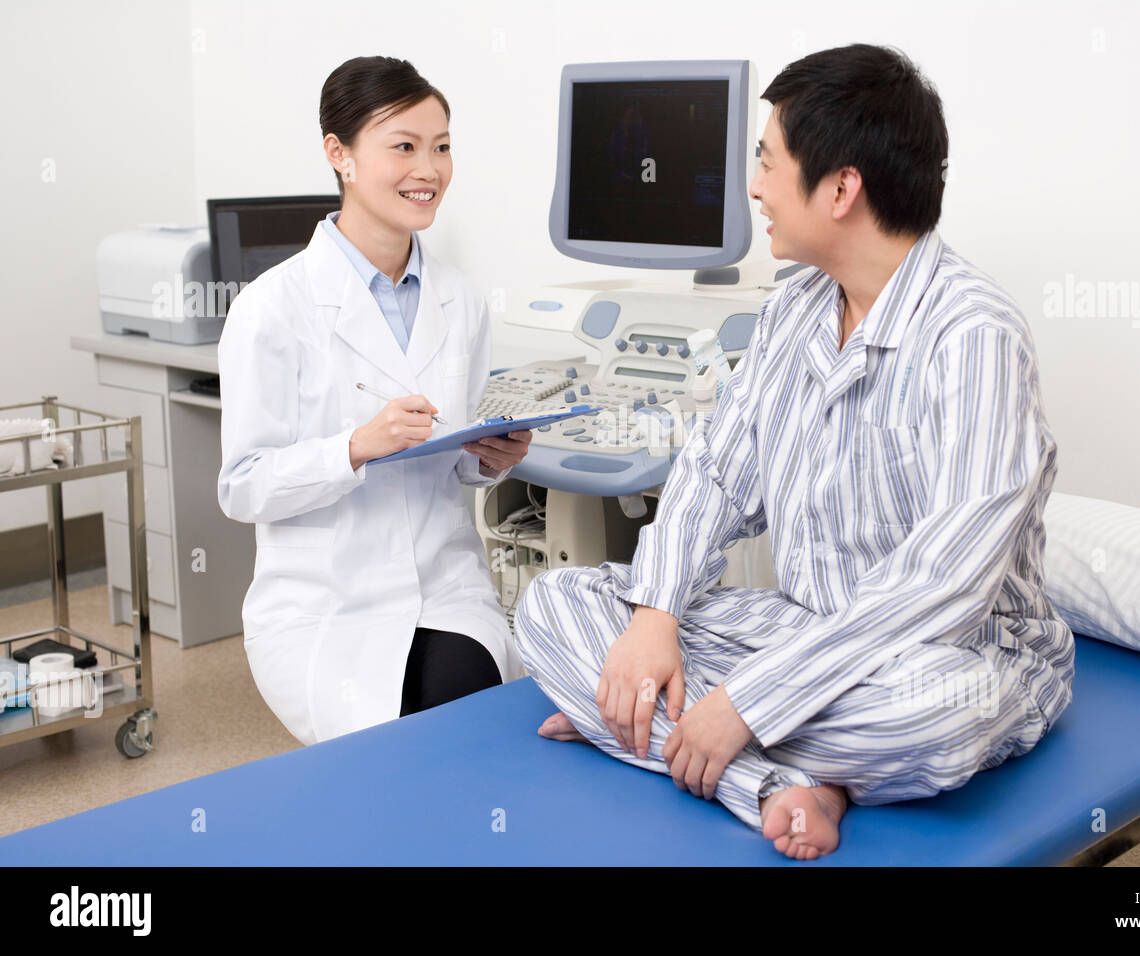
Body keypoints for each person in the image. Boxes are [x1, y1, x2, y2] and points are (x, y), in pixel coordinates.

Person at [514, 44, 1074, 860]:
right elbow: (713, 473)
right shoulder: (795, 312)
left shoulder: (973, 335)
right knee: (552, 606)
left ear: (842, 188)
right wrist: (658, 616)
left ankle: (641, 730)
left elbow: (942, 584)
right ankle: (784, 786)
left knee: (940, 717)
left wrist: (743, 704)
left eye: (769, 163)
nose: (754, 187)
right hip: (796, 626)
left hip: (947, 653)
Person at [217, 56, 532, 746]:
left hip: (444, 590)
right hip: (327, 606)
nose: (429, 169)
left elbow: (453, 462)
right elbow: (243, 490)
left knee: (468, 725)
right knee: (400, 754)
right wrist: (354, 446)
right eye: (404, 147)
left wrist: (489, 457)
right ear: (341, 155)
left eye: (441, 147)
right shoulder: (271, 307)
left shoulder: (462, 299)